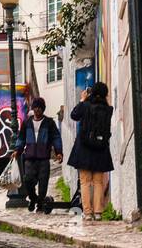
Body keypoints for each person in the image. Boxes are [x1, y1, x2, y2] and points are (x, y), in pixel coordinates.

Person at [68, 81, 114, 220]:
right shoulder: (108, 109)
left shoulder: (85, 106)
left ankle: (87, 213)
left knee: (85, 181)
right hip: (101, 148)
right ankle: (98, 212)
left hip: (84, 148)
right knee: (98, 181)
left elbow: (74, 115)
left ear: (91, 92)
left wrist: (82, 100)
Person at [12, 97, 63, 211]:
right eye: (35, 107)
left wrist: (59, 152)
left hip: (44, 158)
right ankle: (33, 198)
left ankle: (40, 204)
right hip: (29, 158)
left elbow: (56, 138)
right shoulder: (27, 123)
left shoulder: (49, 123)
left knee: (43, 183)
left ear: (43, 109)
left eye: (40, 108)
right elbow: (21, 138)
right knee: (28, 180)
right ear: (33, 108)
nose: (37, 110)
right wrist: (17, 150)